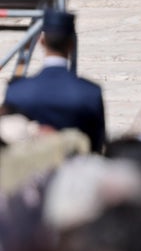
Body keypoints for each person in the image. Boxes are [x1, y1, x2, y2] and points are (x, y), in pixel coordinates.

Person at [3, 10, 106, 153]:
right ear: (71, 44)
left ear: (42, 41)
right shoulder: (90, 92)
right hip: (73, 164)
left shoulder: (17, 91)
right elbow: (97, 145)